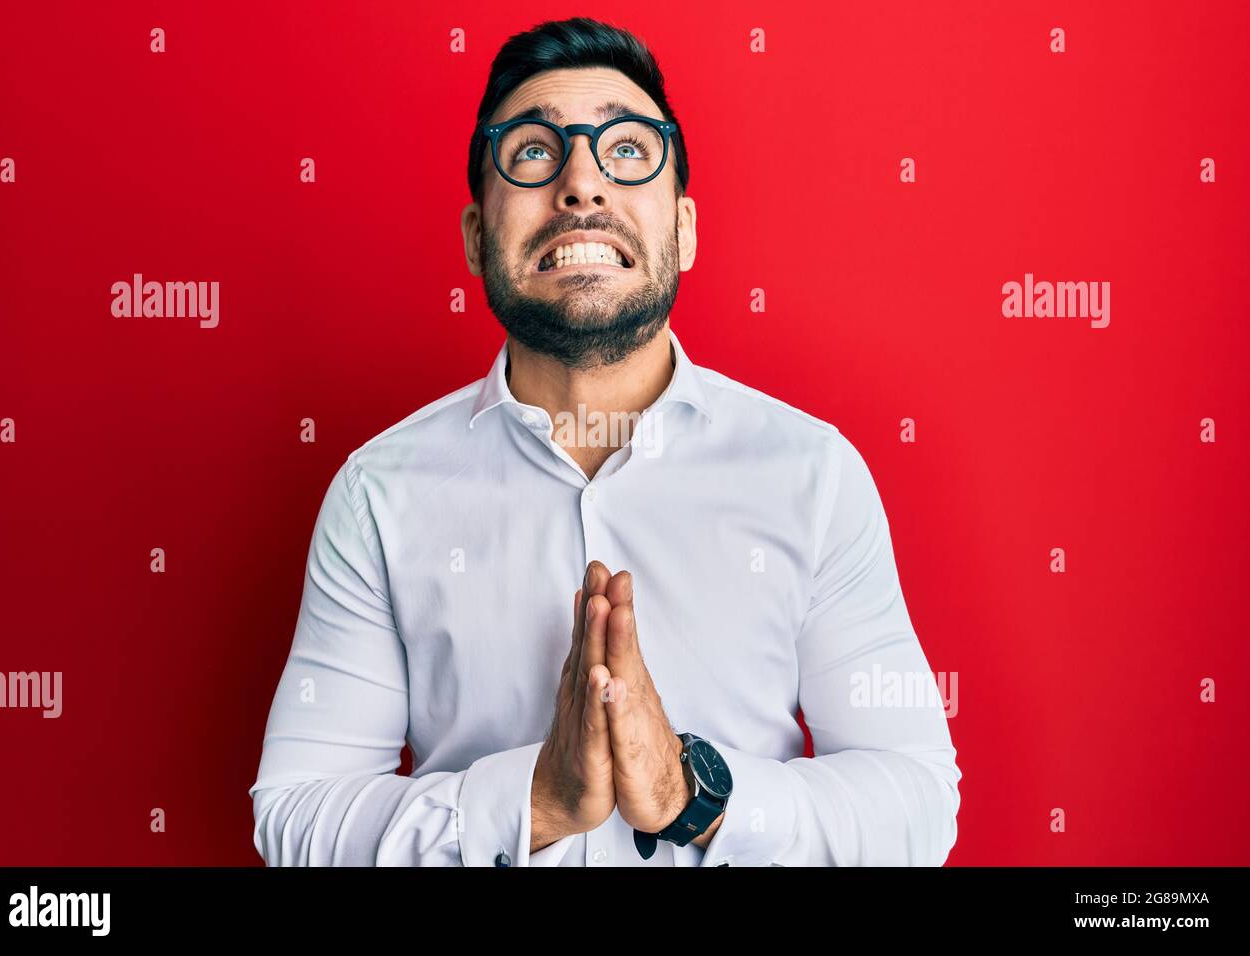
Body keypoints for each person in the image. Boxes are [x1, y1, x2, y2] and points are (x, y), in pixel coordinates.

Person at [248, 16, 961, 867]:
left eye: (626, 150)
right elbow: (294, 817)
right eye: (534, 151)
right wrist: (535, 801)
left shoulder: (815, 477)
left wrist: (695, 796)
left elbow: (918, 806)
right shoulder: (377, 494)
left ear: (685, 230)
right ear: (478, 240)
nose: (581, 183)